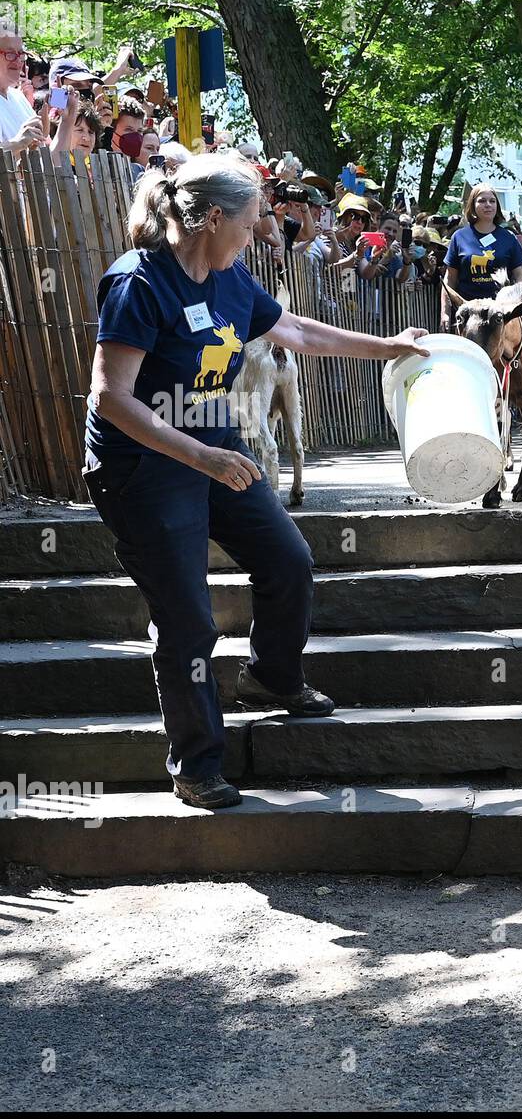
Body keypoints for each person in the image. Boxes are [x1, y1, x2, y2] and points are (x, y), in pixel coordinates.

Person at [85, 155, 429, 809]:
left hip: (212, 450)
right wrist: (200, 456)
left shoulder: (229, 278)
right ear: (211, 218)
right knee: (187, 616)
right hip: (143, 469)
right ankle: (196, 762)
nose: (257, 237)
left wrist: (388, 346)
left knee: (288, 561)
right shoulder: (137, 284)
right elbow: (111, 399)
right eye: (249, 225)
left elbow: (297, 331)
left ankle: (272, 675)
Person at [442, 183, 522, 312]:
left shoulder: (509, 238)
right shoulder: (459, 237)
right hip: (467, 312)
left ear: (497, 206)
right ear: (473, 205)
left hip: (500, 312)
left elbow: (521, 277)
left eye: (492, 201)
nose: (488, 204)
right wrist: (445, 312)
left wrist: (518, 308)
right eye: (482, 201)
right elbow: (450, 279)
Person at [0, 21, 43, 154]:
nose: (18, 62)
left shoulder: (18, 97)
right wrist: (17, 143)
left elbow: (46, 158)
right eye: (10, 54)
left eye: (20, 53)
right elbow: (21, 142)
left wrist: (67, 121)